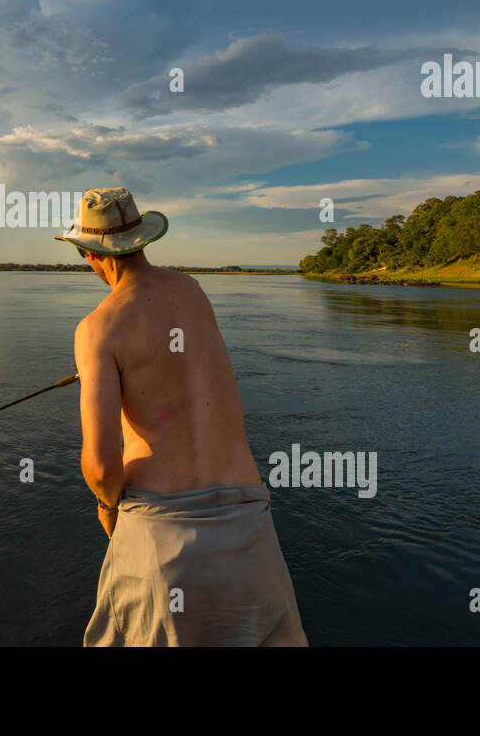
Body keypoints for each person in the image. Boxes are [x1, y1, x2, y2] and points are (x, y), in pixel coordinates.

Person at [55, 187, 308, 646]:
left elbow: (101, 465)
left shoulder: (97, 328)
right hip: (250, 529)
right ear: (142, 241)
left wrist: (106, 506)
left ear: (88, 253)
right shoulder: (192, 290)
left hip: (162, 539)